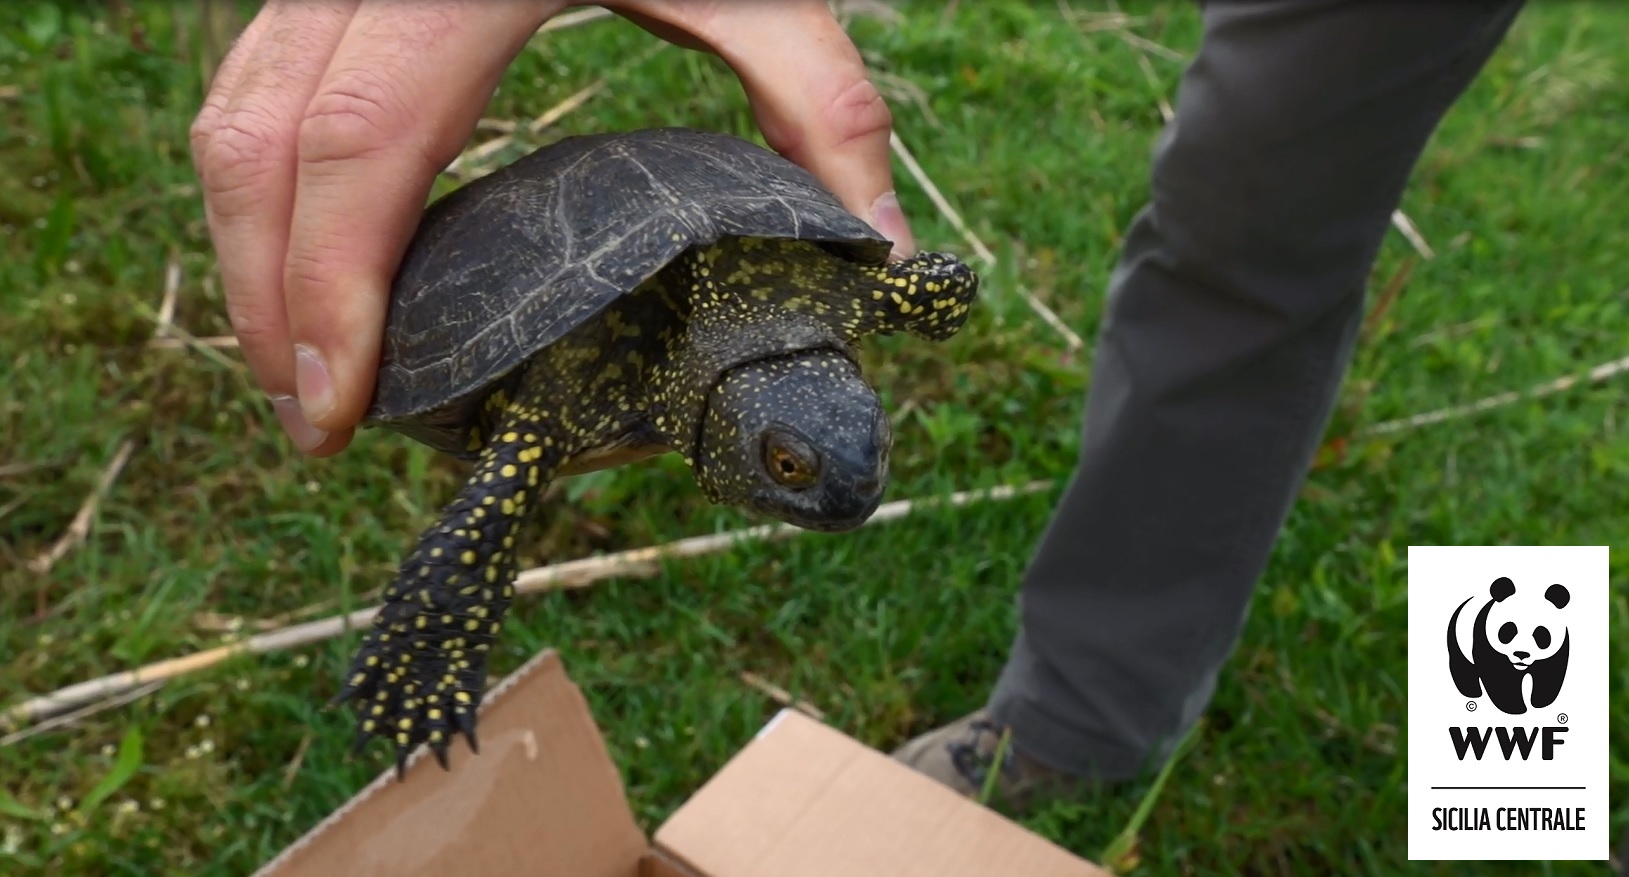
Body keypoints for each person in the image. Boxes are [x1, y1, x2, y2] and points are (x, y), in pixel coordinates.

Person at [191, 0, 1528, 811]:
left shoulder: (796, 307)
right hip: (549, 299)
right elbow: (904, 283)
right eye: (789, 461)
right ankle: (1087, 716)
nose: (834, 490)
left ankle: (1521, 799)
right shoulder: (596, 371)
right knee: (1256, 208)